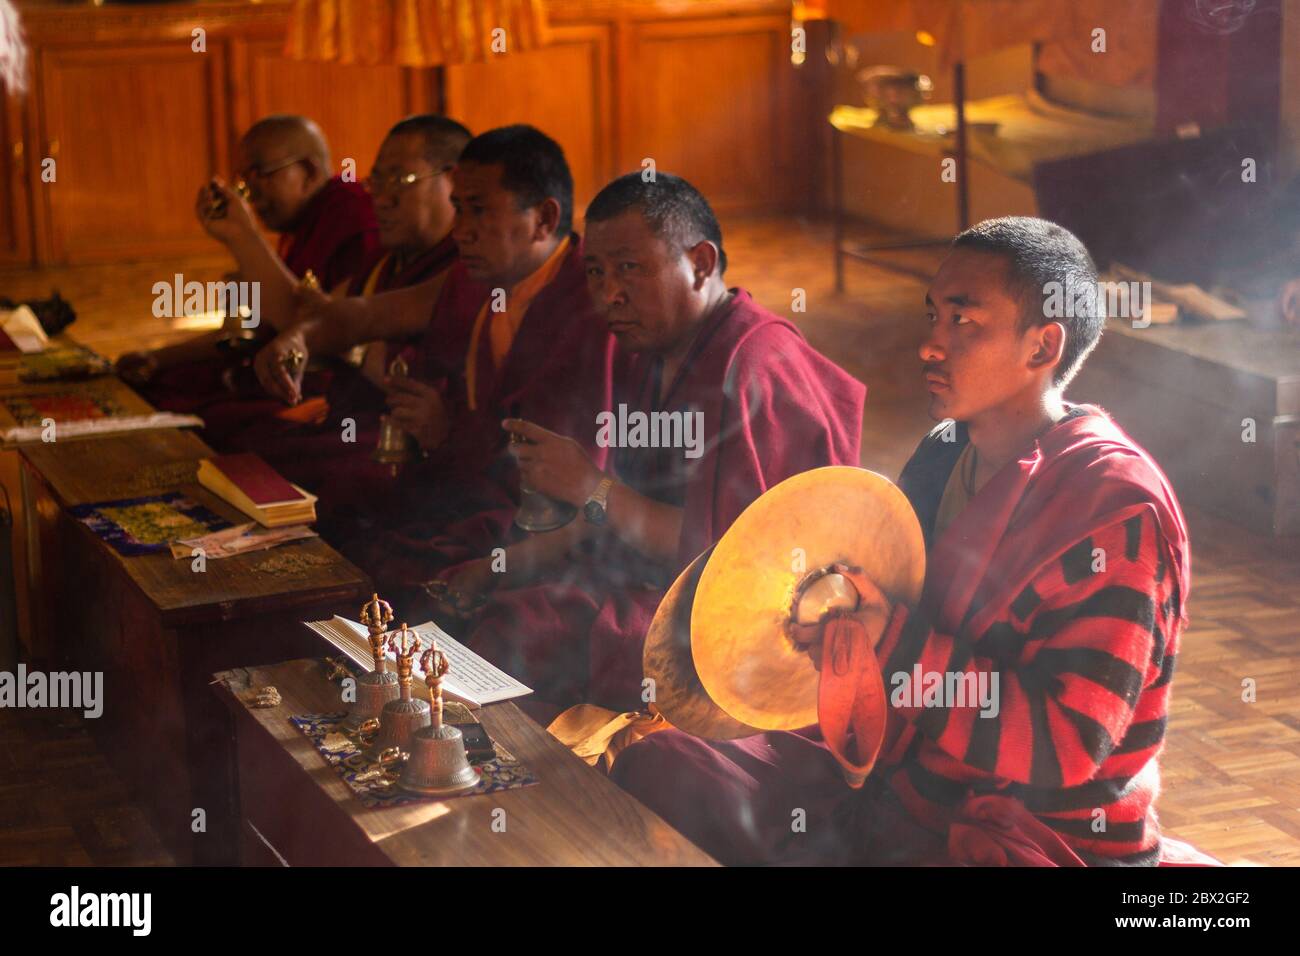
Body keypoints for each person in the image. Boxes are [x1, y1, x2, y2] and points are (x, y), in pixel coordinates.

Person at [613, 217, 1191, 867]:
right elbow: (891, 638)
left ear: (1043, 345)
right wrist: (825, 632)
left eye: (963, 322)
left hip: (1033, 838)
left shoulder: (1111, 510)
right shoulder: (944, 455)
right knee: (658, 763)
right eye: (932, 317)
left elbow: (1069, 746)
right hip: (905, 789)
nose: (930, 346)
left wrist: (888, 644)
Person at [428, 173, 865, 715]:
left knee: (528, 637)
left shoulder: (753, 366)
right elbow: (612, 519)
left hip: (739, 626)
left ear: (701, 264)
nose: (608, 294)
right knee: (490, 606)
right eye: (595, 272)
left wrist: (592, 486)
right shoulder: (648, 353)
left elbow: (740, 559)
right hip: (645, 585)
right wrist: (501, 566)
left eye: (630, 269)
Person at [253, 125, 617, 574]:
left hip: (544, 532)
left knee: (391, 561)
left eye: (479, 211)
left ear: (543, 218)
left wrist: (448, 432)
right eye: (458, 209)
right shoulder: (474, 279)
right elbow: (364, 315)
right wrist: (298, 337)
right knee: (340, 516)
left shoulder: (589, 308)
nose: (460, 231)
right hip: (464, 489)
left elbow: (568, 482)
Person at [219, 114, 471, 507]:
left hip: (410, 449)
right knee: (243, 450)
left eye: (399, 181)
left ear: (454, 181)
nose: (380, 199)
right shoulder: (384, 264)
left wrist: (344, 339)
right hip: (351, 429)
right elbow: (312, 318)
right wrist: (312, 333)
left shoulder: (470, 267)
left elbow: (416, 385)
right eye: (377, 181)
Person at [116, 114, 381, 447]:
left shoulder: (353, 216)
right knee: (160, 383)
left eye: (261, 174)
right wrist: (157, 356)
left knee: (222, 428)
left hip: (316, 388)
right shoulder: (300, 228)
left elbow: (319, 333)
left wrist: (244, 237)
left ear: (309, 172)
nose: (248, 191)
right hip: (268, 368)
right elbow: (252, 327)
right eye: (242, 177)